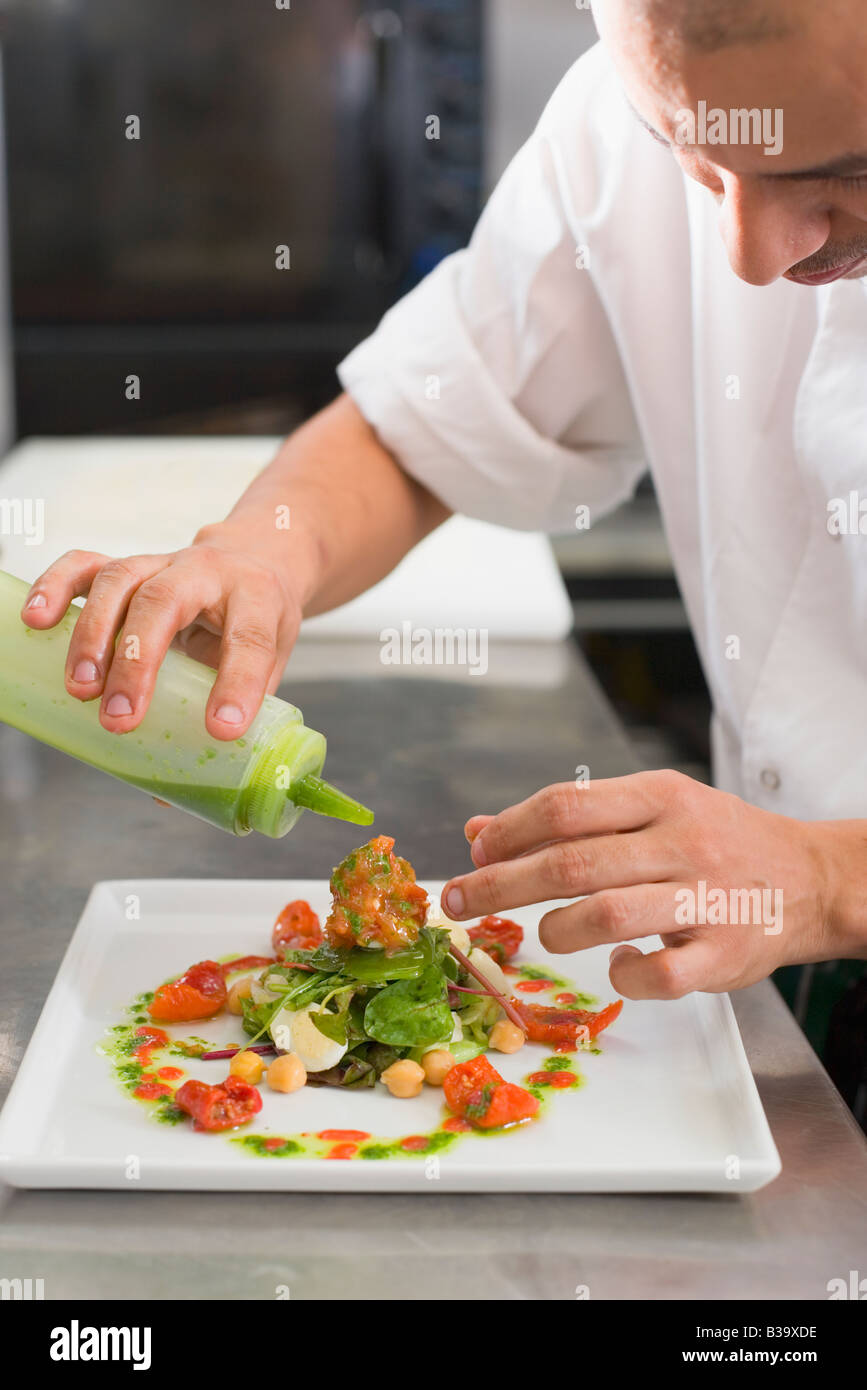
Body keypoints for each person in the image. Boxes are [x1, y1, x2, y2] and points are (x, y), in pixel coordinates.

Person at [21, 0, 867, 1000]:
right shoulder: (629, 104)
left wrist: (824, 879)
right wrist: (258, 555)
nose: (749, 254)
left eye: (846, 173)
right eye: (688, 154)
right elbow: (425, 424)